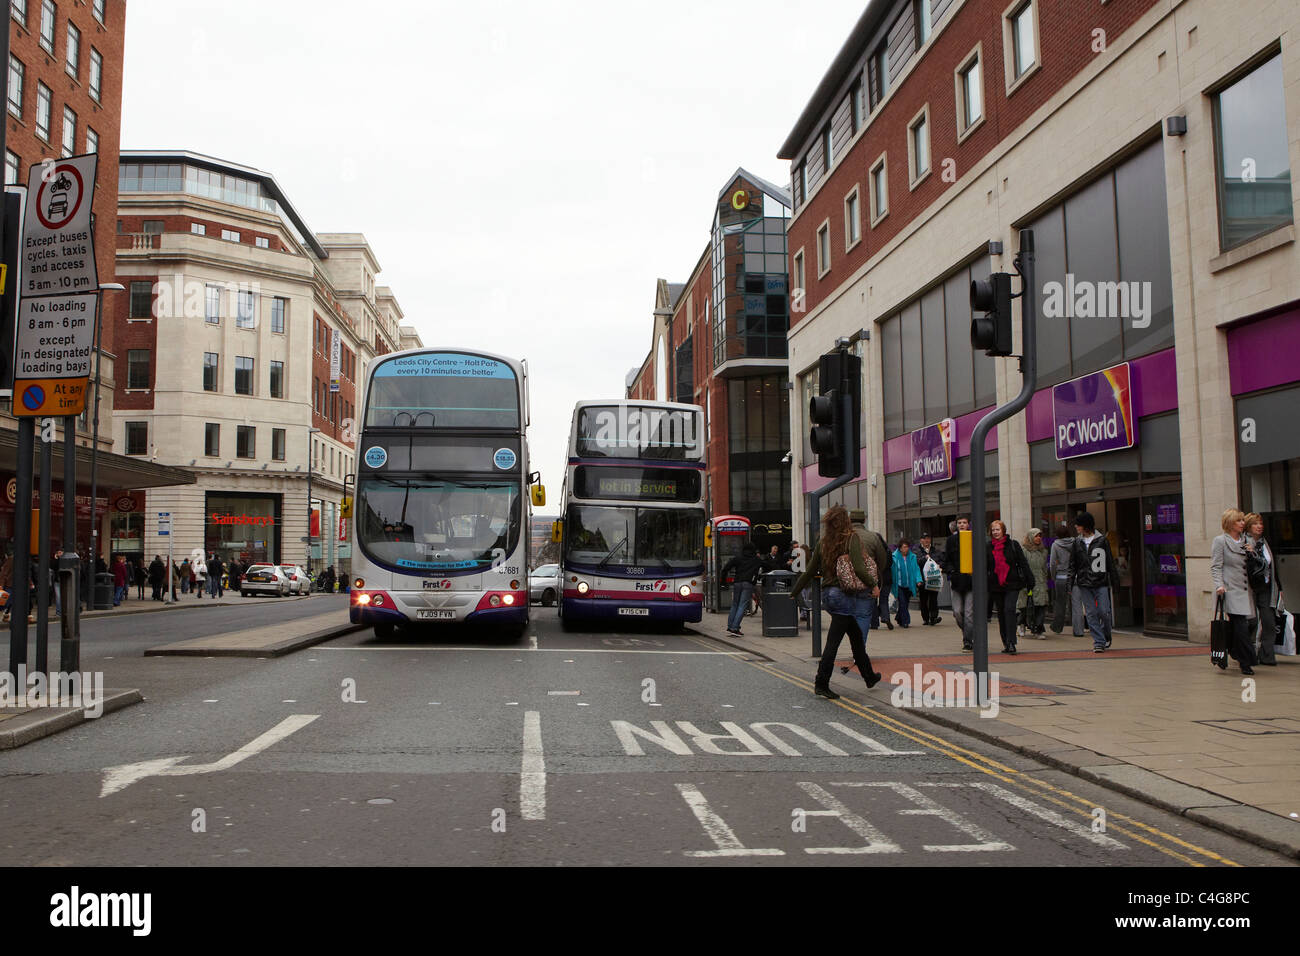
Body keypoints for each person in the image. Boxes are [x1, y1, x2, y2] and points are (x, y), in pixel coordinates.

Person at [790, 505, 881, 699]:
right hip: (842, 596)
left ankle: (869, 676)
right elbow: (858, 566)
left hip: (828, 596)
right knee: (833, 642)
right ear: (845, 521)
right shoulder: (851, 539)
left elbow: (810, 570)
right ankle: (821, 683)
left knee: (856, 636)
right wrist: (873, 584)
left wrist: (794, 592)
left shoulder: (823, 542)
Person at [1210, 508, 1256, 675]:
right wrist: (1219, 585)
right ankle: (1247, 662)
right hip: (1230, 590)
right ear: (1230, 524)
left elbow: (1254, 565)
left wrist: (1252, 554)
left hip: (1246, 590)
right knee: (1241, 625)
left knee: (1248, 624)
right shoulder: (1220, 541)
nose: (1242, 523)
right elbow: (1216, 566)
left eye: (1243, 520)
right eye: (1239, 521)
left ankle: (1233, 650)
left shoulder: (1247, 541)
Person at [1073, 511, 1122, 655]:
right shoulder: (1077, 542)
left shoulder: (1102, 540)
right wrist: (1070, 583)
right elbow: (1073, 564)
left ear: (1085, 526)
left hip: (1101, 582)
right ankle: (1099, 642)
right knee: (1091, 613)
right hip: (1083, 582)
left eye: (1078, 524)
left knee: (1104, 612)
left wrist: (1115, 581)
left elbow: (1110, 563)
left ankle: (1106, 635)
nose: (1076, 527)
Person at [988, 519, 1032, 654]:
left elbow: (1023, 562)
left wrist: (1030, 580)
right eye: (993, 530)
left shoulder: (1013, 545)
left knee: (1009, 610)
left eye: (998, 529)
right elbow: (985, 566)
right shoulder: (988, 546)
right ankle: (1006, 642)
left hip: (1012, 583)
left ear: (1003, 530)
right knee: (1001, 613)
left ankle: (1012, 642)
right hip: (996, 585)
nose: (996, 532)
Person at [1244, 513, 1280, 667]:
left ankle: (1267, 656)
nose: (1259, 526)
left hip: (1266, 587)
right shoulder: (1244, 542)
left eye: (1260, 523)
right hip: (1250, 588)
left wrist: (1280, 587)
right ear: (1248, 526)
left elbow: (1272, 567)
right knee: (1250, 622)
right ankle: (1246, 653)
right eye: (1255, 524)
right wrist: (1252, 553)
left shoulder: (1265, 542)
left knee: (1269, 621)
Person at [848, 509, 890, 637]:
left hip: (846, 583)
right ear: (864, 520)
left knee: (849, 616)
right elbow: (882, 560)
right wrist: (874, 578)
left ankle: (853, 644)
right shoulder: (873, 537)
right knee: (863, 615)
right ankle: (860, 648)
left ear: (850, 520)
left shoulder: (844, 536)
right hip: (867, 583)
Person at [943, 516, 975, 650]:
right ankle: (968, 631)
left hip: (971, 582)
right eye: (959, 523)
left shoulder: (974, 538)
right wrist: (951, 570)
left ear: (968, 524)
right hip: (956, 581)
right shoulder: (951, 540)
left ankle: (967, 640)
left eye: (964, 523)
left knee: (968, 613)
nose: (962, 525)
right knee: (957, 612)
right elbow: (947, 559)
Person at [719, 543, 765, 636]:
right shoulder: (756, 559)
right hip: (748, 583)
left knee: (735, 604)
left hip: (737, 583)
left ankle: (730, 626)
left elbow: (725, 569)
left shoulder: (738, 557)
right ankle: (735, 628)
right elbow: (768, 565)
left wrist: (723, 582)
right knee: (742, 605)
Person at [1047, 523, 1080, 635]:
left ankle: (1057, 627)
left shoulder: (1055, 545)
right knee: (1076, 603)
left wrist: (1053, 576)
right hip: (1075, 576)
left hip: (1061, 577)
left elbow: (1052, 563)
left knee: (1060, 603)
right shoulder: (1075, 542)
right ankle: (1078, 630)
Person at [1017, 529, 1049, 639]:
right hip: (1027, 582)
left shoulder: (1043, 551)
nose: (1038, 538)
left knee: (1040, 606)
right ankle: (1021, 624)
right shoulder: (1024, 550)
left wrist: (1045, 581)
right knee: (1025, 606)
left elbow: (1044, 568)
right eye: (1036, 536)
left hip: (1040, 582)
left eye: (1040, 536)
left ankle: (1038, 629)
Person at [890, 538, 922, 628]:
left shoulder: (912, 557)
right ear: (900, 548)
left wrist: (918, 580)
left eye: (907, 547)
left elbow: (916, 569)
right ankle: (906, 622)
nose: (906, 549)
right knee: (903, 602)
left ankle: (899, 618)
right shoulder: (894, 557)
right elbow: (892, 571)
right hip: (898, 584)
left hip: (909, 584)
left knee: (905, 603)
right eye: (904, 547)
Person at [914, 531, 942, 626]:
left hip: (933, 578)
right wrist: (924, 559)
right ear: (921, 540)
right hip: (922, 579)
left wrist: (939, 564)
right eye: (925, 538)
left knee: (934, 598)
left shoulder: (935, 550)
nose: (927, 540)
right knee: (924, 600)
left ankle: (933, 617)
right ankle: (926, 618)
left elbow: (940, 560)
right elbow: (916, 562)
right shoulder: (917, 551)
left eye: (928, 538)